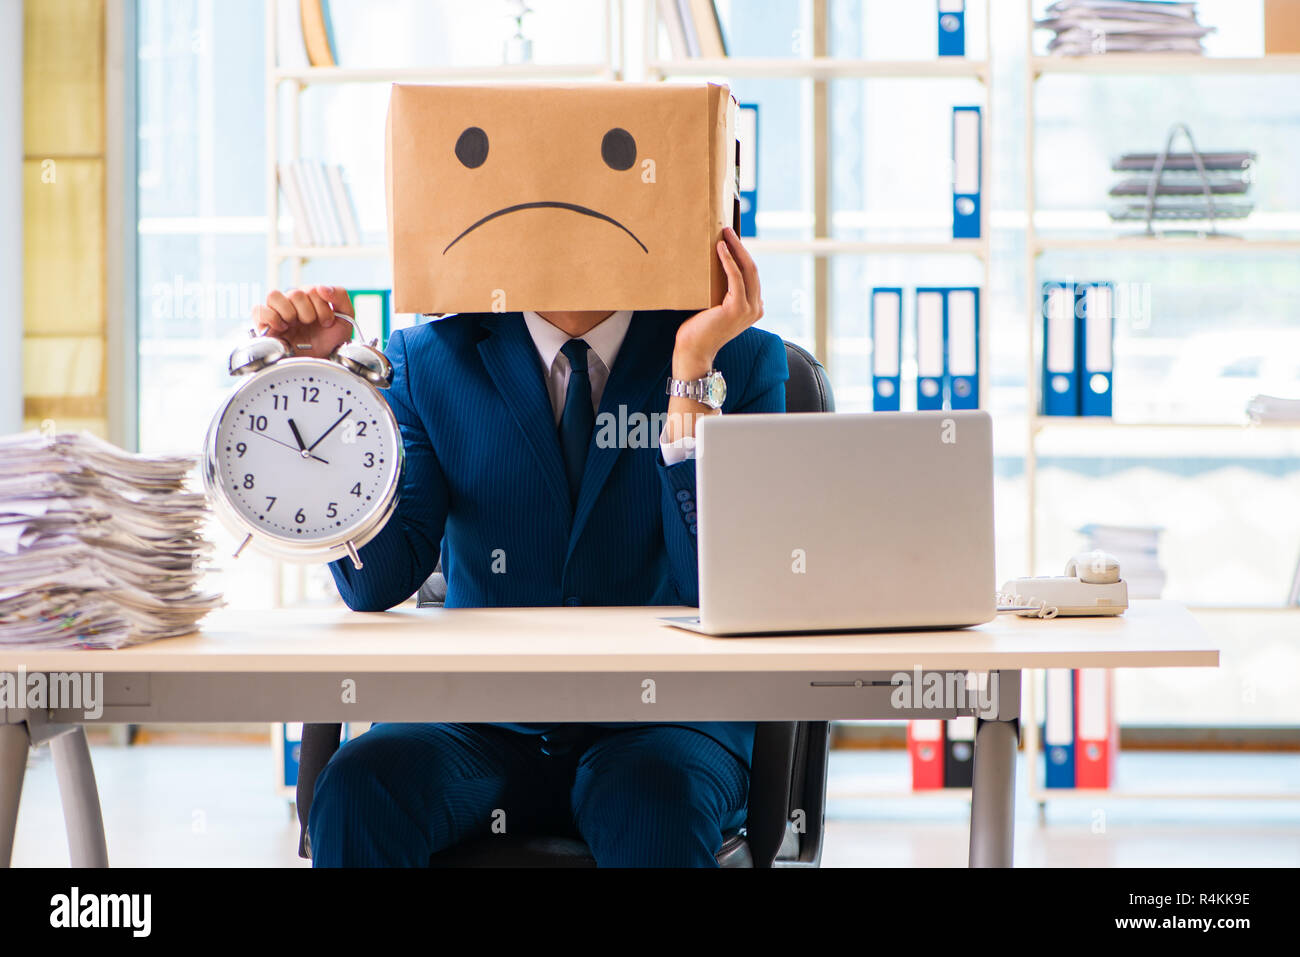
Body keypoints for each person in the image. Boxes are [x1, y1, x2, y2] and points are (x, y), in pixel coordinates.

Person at [252, 227, 787, 866]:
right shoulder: (428, 360)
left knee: (653, 804)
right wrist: (323, 400)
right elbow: (375, 583)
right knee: (359, 790)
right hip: (478, 721)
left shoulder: (740, 359)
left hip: (663, 724)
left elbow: (721, 589)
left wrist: (691, 378)